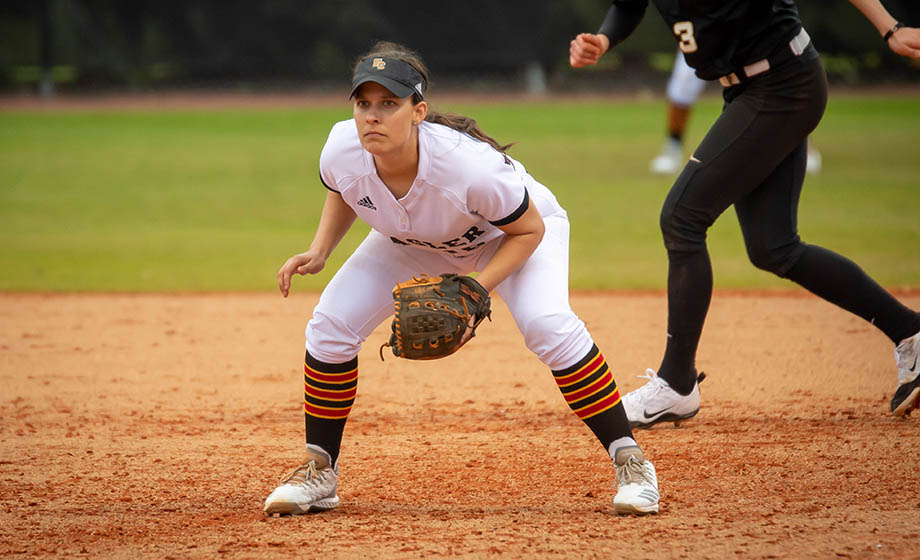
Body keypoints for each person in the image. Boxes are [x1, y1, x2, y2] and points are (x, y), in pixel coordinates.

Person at [264, 41, 660, 517]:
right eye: (363, 103)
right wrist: (320, 249)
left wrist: (477, 289)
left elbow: (528, 229)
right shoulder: (342, 147)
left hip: (508, 234)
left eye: (389, 103)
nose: (372, 116)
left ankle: (631, 462)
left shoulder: (466, 167)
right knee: (330, 325)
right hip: (412, 239)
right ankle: (319, 470)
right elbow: (346, 190)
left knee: (547, 325)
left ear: (418, 111)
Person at [569, 1, 920, 428]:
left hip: (784, 83)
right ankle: (910, 332)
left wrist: (890, 29)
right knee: (774, 247)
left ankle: (676, 382)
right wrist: (603, 38)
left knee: (682, 217)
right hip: (752, 88)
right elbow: (628, 6)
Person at [650, 50, 821, 175]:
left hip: (749, 22)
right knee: (684, 81)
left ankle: (802, 146)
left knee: (781, 76)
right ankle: (673, 147)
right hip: (705, 22)